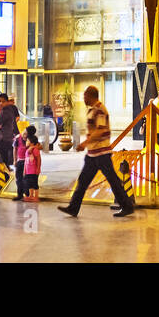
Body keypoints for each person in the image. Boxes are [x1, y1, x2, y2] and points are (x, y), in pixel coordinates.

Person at [59, 85, 135, 218]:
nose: (83, 98)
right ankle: (73, 207)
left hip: (101, 153)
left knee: (113, 180)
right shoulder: (93, 109)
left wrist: (85, 143)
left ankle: (127, 206)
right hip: (93, 153)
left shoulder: (99, 109)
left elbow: (100, 130)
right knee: (83, 180)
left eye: (85, 96)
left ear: (90, 96)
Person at [0, 94, 20, 169]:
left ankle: (4, 173)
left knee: (2, 159)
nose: (0, 103)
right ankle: (6, 169)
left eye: (3, 101)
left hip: (3, 138)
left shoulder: (5, 112)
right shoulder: (8, 110)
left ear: (7, 102)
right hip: (7, 137)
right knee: (5, 158)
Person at [20, 124, 41, 202]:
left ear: (32, 142)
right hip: (28, 171)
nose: (26, 142)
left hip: (34, 171)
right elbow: (26, 161)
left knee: (35, 184)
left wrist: (38, 168)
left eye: (28, 141)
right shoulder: (27, 150)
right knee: (29, 184)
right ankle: (31, 196)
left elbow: (38, 159)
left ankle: (36, 197)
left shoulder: (35, 150)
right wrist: (24, 170)